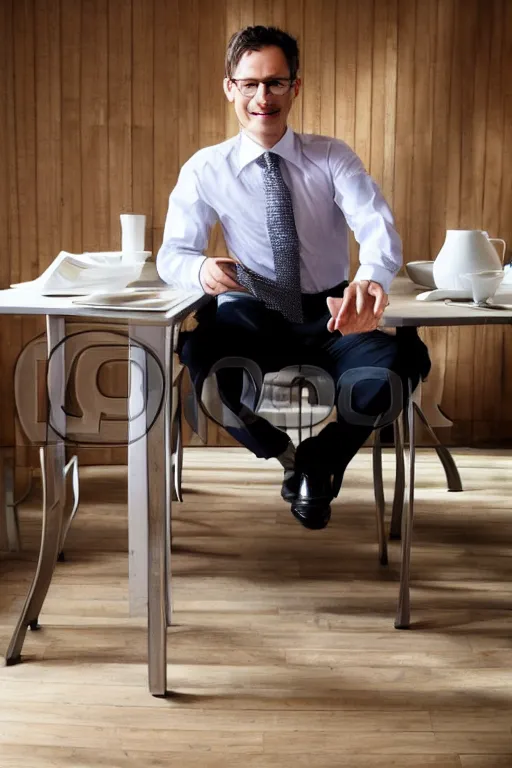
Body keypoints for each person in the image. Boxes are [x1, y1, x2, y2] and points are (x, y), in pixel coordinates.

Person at [157, 25, 430, 530]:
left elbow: (377, 227)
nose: (263, 97)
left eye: (276, 83)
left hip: (331, 314)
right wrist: (199, 268)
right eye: (250, 84)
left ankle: (322, 459)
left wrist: (369, 279)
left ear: (294, 88)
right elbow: (171, 254)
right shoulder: (205, 169)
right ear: (230, 88)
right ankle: (288, 457)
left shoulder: (332, 157)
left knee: (403, 361)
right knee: (204, 361)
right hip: (253, 312)